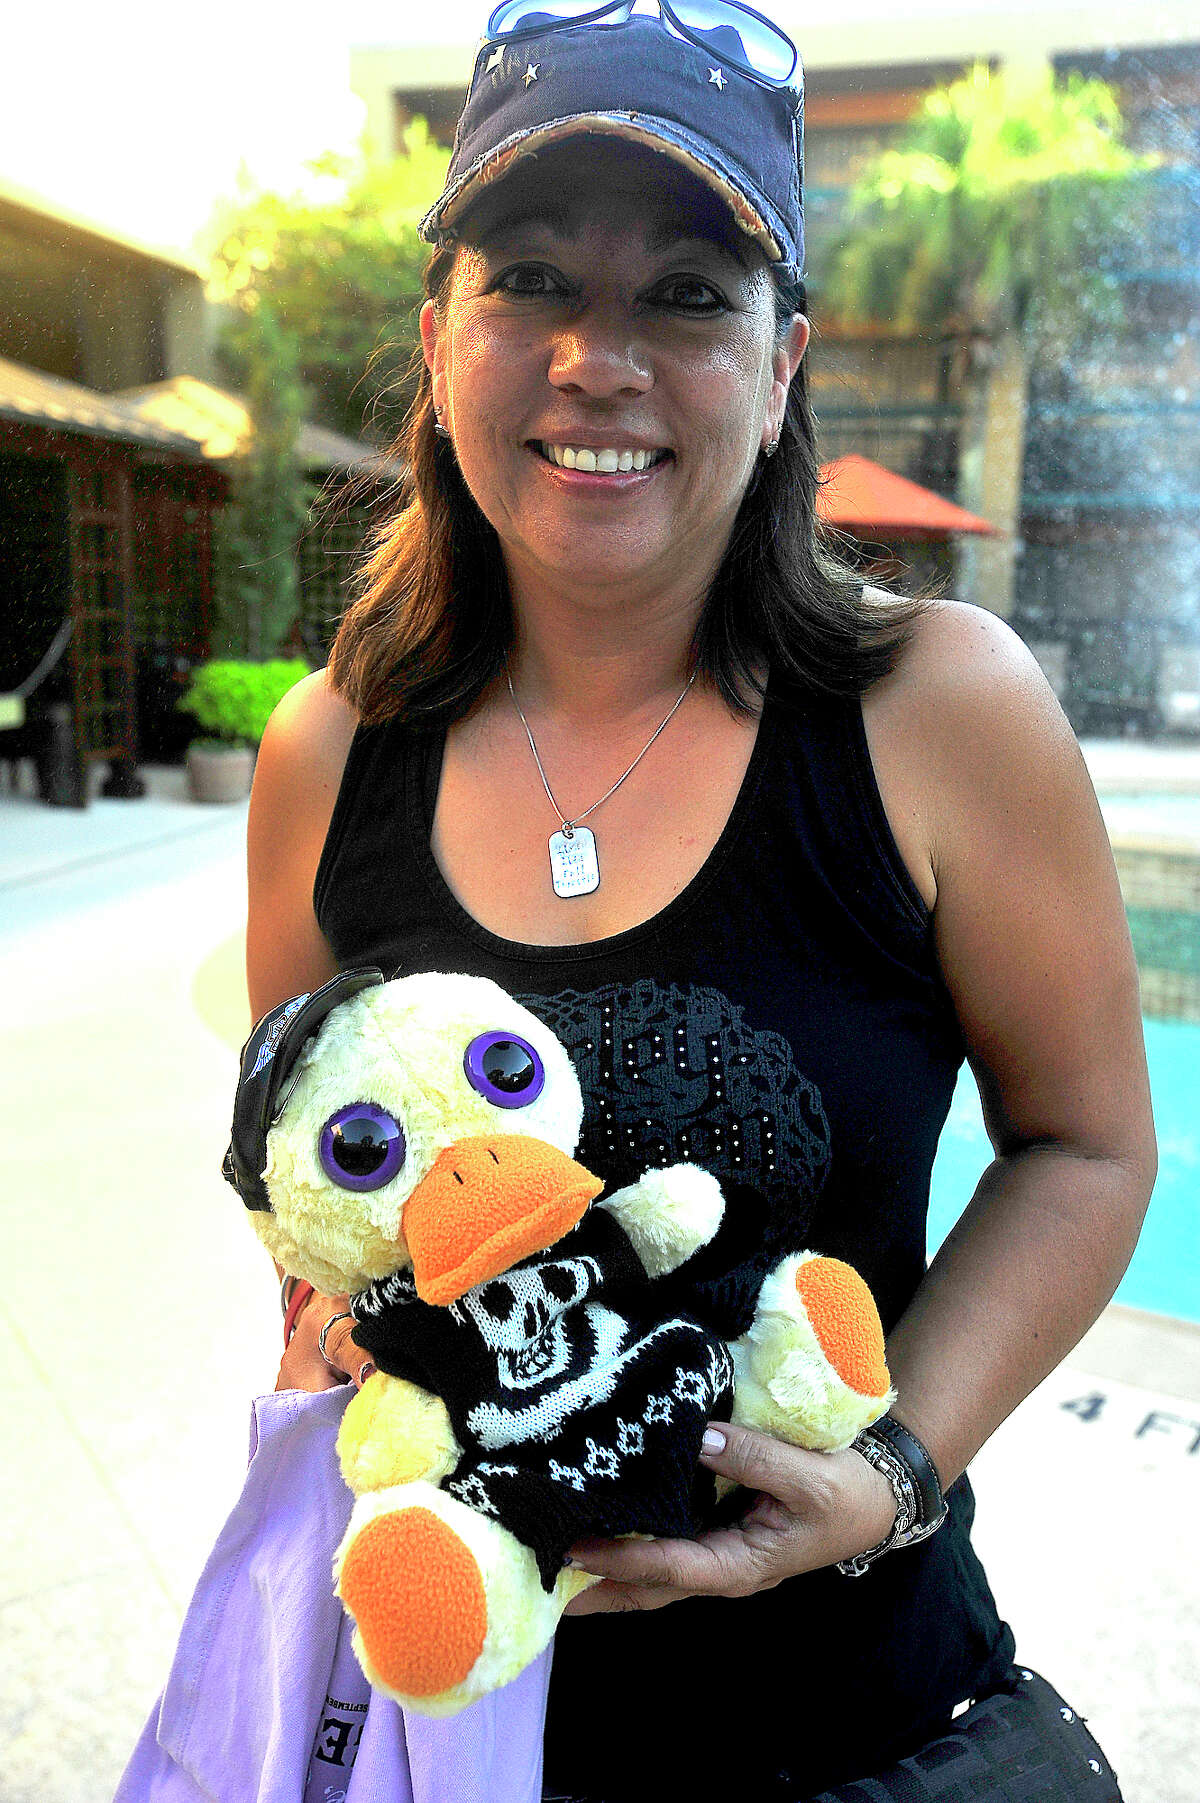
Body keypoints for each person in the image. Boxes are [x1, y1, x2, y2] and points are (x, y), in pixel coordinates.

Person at [247, 3, 1156, 1797]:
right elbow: (305, 1197)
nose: (598, 359)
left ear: (784, 359)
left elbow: (1086, 1144)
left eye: (686, 295)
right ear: (438, 338)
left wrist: (892, 1472)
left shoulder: (937, 711)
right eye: (529, 279)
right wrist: (347, 1353)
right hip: (466, 1746)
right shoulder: (327, 752)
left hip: (873, 1738)